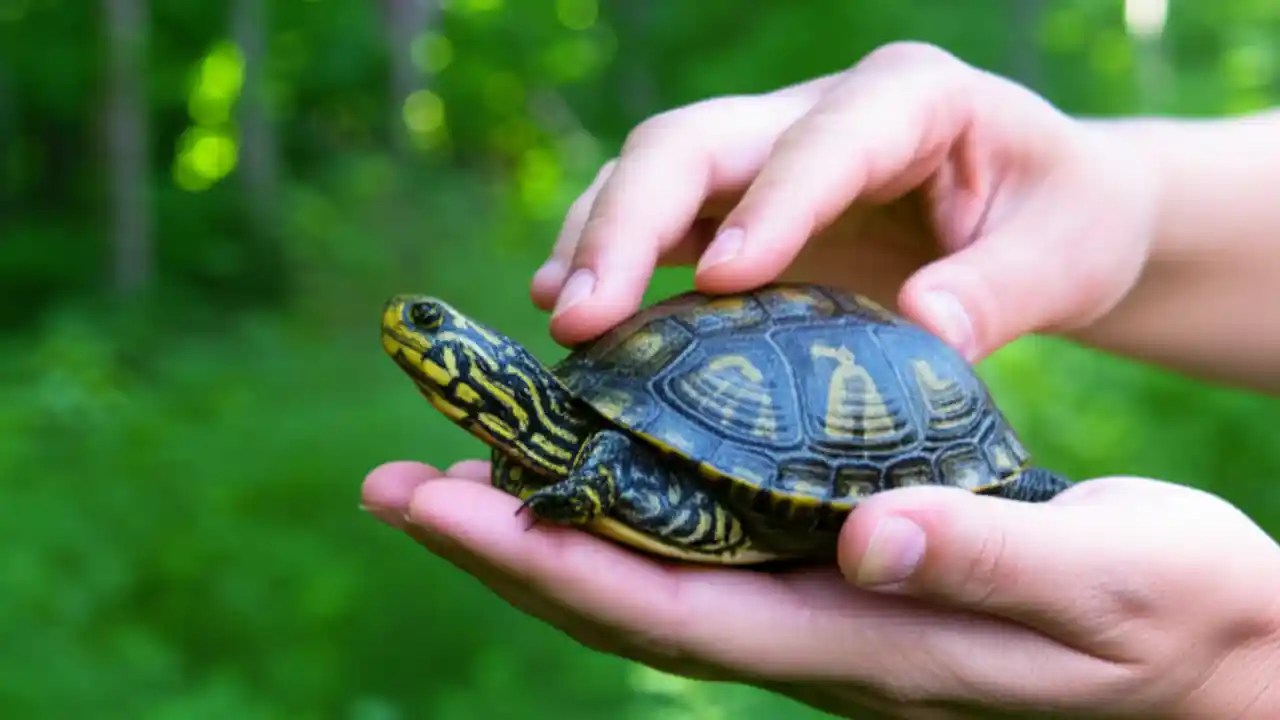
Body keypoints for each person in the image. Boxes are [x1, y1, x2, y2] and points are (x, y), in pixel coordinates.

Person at [362, 43, 1280, 718]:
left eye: (438, 326)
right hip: (645, 422)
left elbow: (621, 457)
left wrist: (1243, 676)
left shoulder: (588, 448)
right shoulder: (567, 423)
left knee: (1027, 499)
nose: (419, 326)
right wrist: (1126, 201)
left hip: (855, 456)